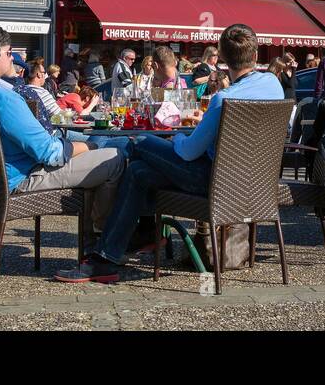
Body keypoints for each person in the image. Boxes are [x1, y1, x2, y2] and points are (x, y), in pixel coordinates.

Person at [55, 23, 283, 283]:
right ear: (254, 56)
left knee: (138, 141)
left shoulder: (224, 100)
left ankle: (93, 158)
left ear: (221, 59)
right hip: (254, 185)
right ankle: (114, 252)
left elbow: (187, 153)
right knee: (138, 172)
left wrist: (178, 137)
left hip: (212, 184)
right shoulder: (273, 86)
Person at [0, 26, 124, 231]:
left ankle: (94, 245)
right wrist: (87, 147)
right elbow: (49, 153)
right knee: (114, 158)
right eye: (9, 53)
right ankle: (104, 240)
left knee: (93, 164)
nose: (12, 58)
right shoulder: (4, 99)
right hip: (19, 180)